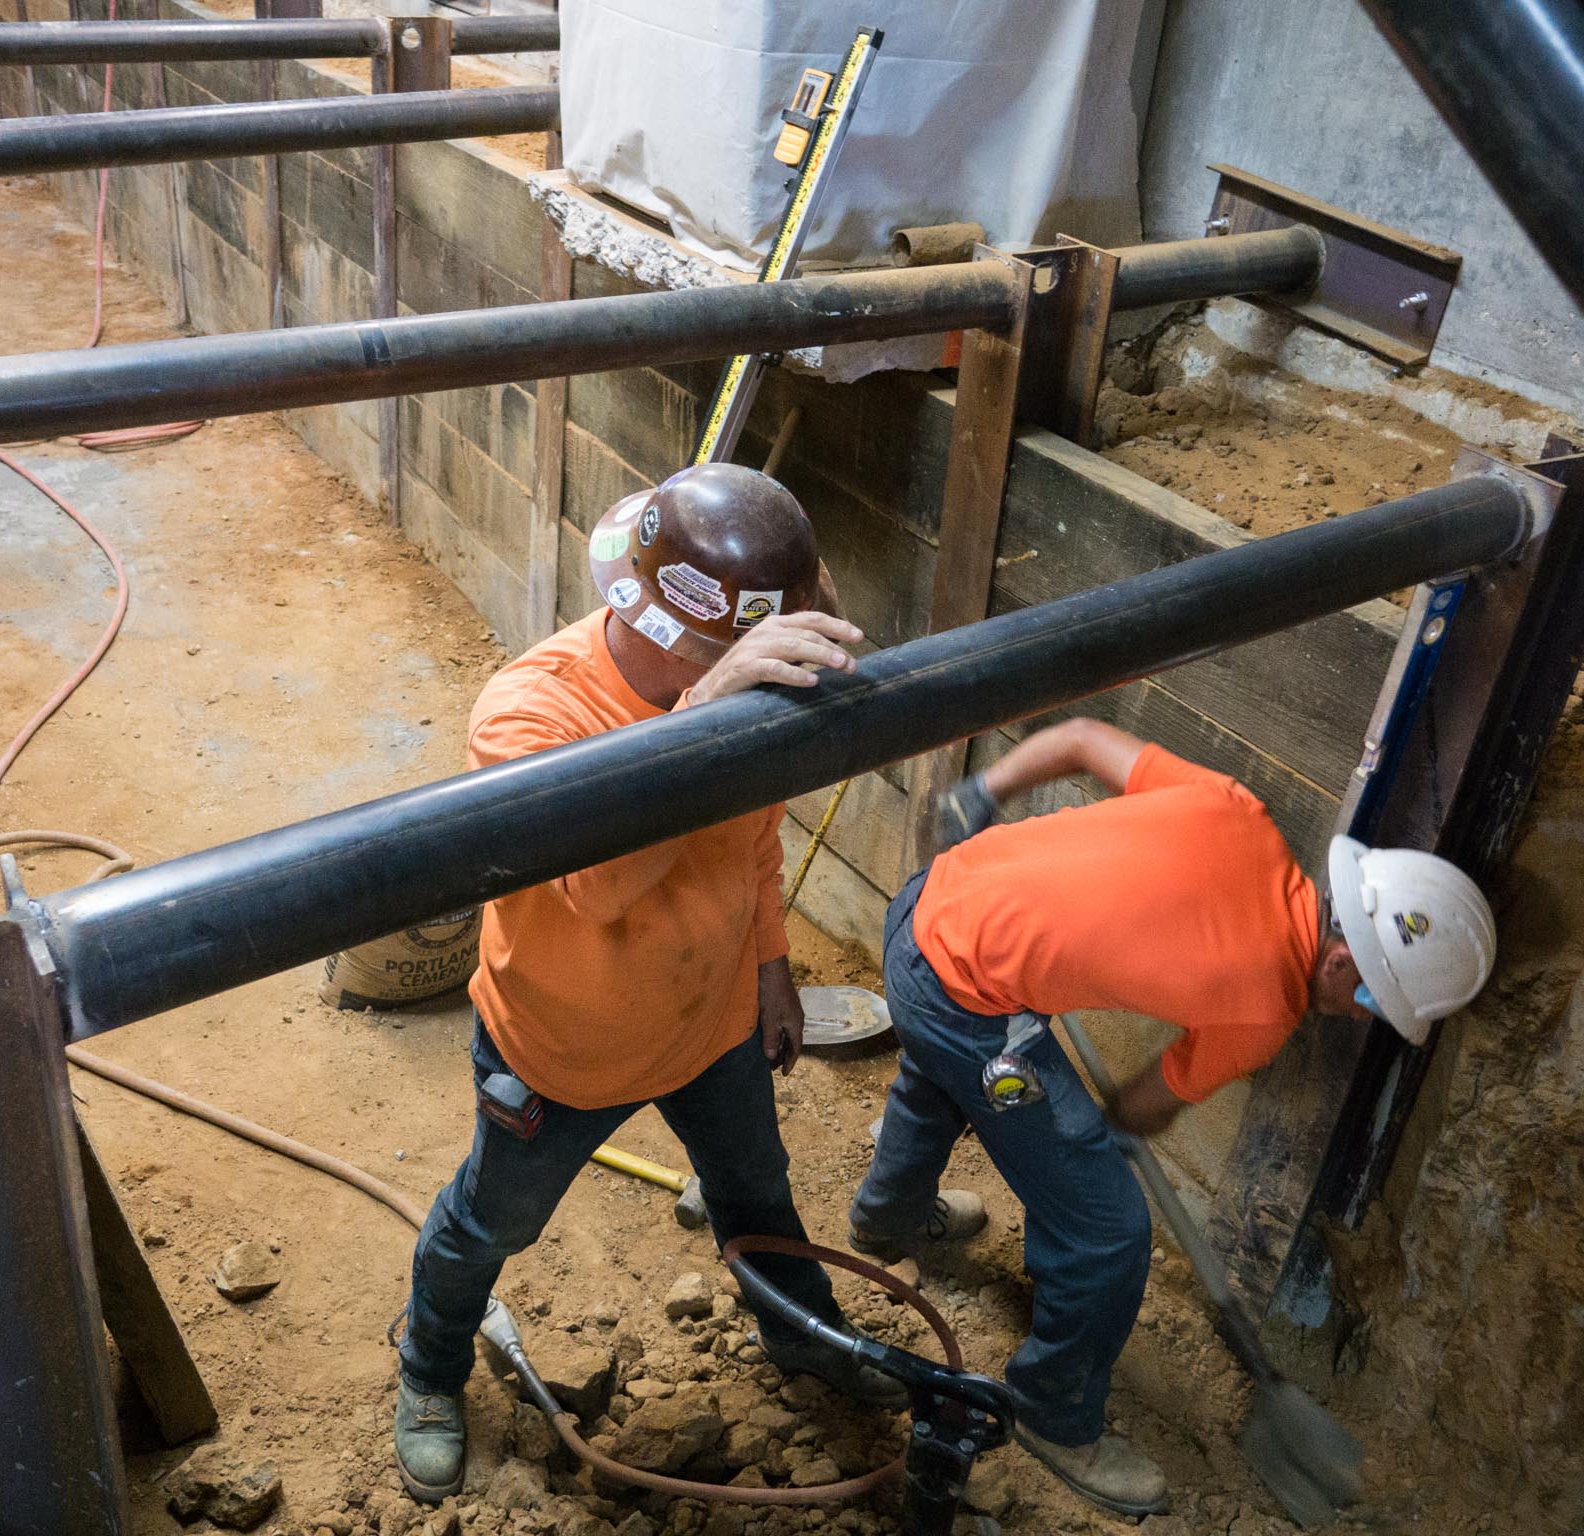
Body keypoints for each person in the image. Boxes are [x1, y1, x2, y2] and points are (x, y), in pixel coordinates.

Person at [394, 463, 904, 1503]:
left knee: (758, 1194)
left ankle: (806, 1339)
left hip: (712, 1023)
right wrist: (707, 715)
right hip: (562, 1052)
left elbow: (756, 833)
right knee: (492, 1224)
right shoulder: (529, 714)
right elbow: (598, 886)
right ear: (683, 638)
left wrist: (771, 968)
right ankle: (430, 1370)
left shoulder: (745, 689)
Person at [845, 717, 1496, 1517]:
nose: (1363, 1018)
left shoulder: (1238, 812)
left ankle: (886, 1218)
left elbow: (1082, 738)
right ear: (1340, 957)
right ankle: (1052, 1412)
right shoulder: (1266, 1011)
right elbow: (1145, 1103)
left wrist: (983, 790)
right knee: (1107, 1227)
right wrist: (1106, 1131)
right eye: (1372, 999)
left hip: (931, 902)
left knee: (946, 1069)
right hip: (965, 1002)